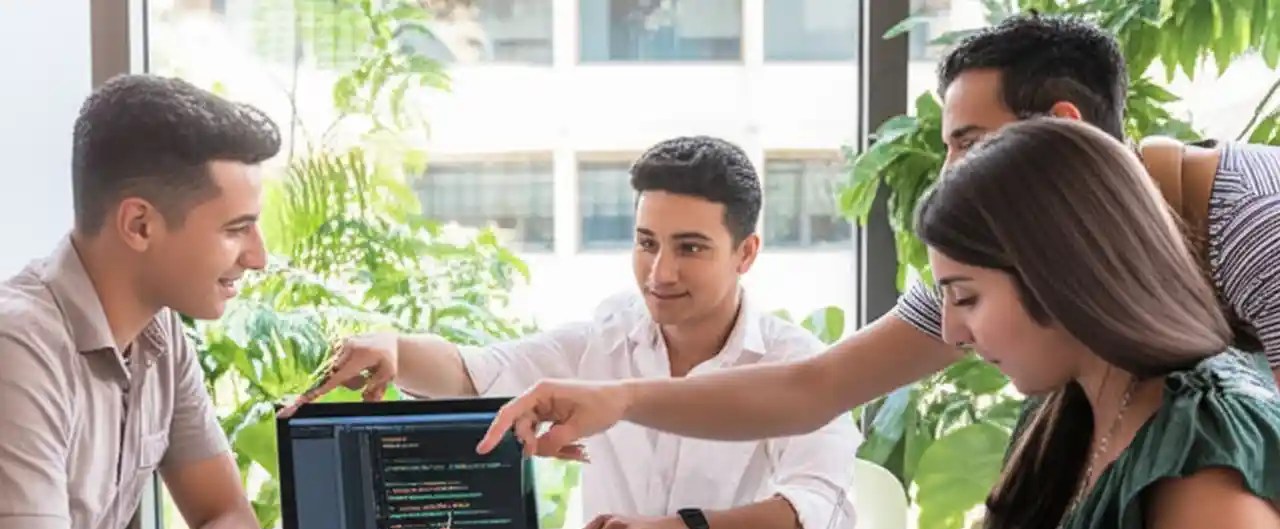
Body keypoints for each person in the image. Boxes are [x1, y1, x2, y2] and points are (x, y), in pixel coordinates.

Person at [553, 118, 1280, 529]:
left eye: (966, 298)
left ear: (1060, 272)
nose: (955, 336)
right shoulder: (1081, 400)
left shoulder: (1205, 443)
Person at [468, 14, 1280, 482]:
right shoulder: (1008, 263)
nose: (950, 174)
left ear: (1060, 130)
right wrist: (624, 399)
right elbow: (817, 386)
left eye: (969, 143)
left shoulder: (1253, 224)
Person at [0, 74, 477, 529]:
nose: (259, 256)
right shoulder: (18, 346)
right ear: (140, 225)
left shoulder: (158, 334)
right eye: (235, 229)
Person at [281, 136, 859, 529]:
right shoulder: (605, 337)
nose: (660, 273)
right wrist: (396, 348)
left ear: (746, 253)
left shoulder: (797, 365)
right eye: (646, 243)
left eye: (690, 248)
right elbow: (474, 374)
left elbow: (817, 511)